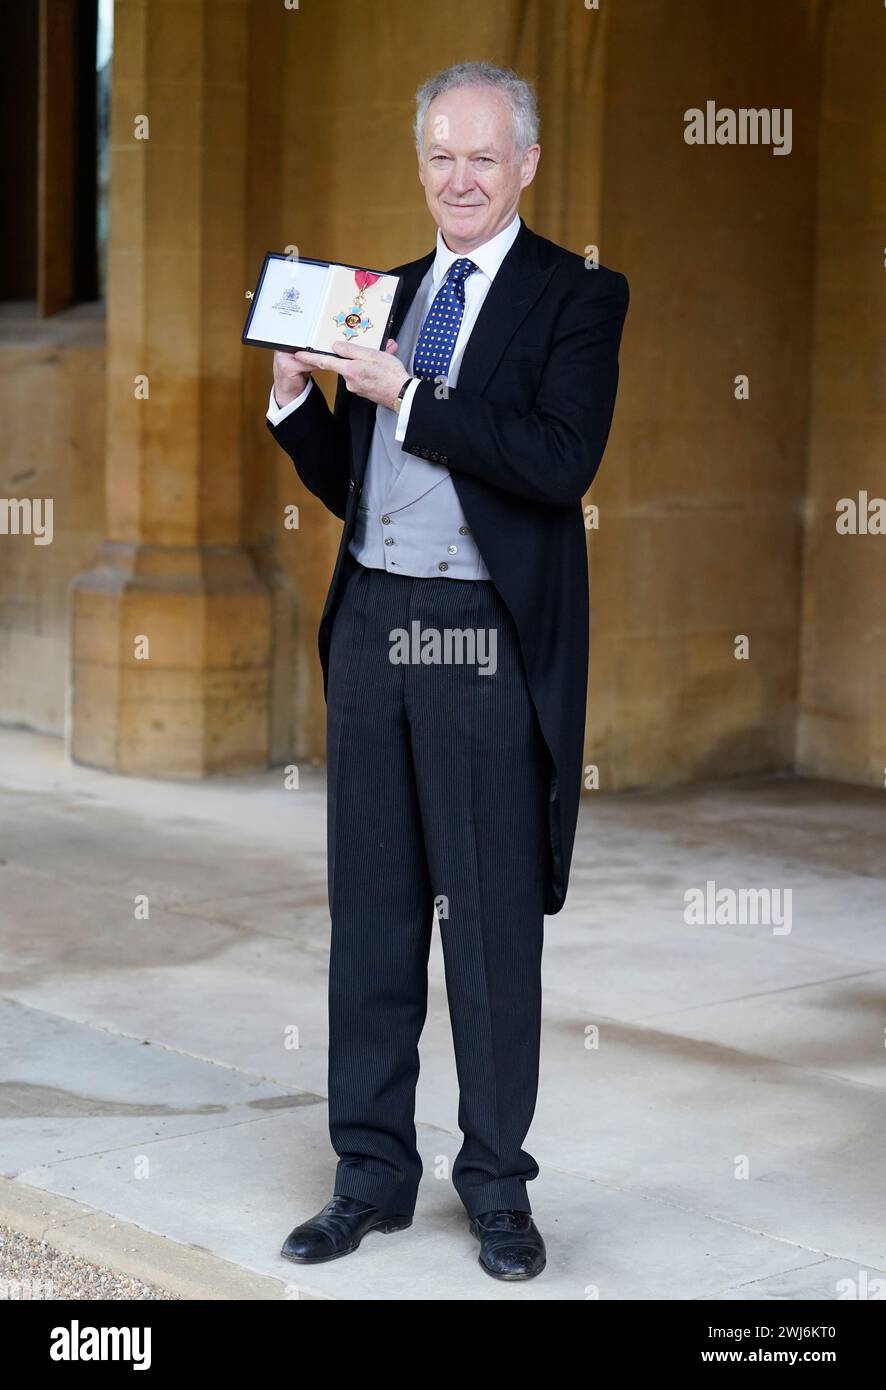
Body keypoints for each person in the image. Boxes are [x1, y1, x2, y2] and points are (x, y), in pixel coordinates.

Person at [265, 60, 629, 1281]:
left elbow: (555, 459)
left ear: (525, 165)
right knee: (369, 923)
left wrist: (412, 398)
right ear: (418, 163)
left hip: (480, 642)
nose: (457, 177)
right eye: (438, 155)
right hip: (373, 627)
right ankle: (367, 1176)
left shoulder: (579, 296)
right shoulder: (386, 292)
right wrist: (296, 413)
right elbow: (357, 487)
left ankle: (497, 1190)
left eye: (481, 156)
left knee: (484, 931)